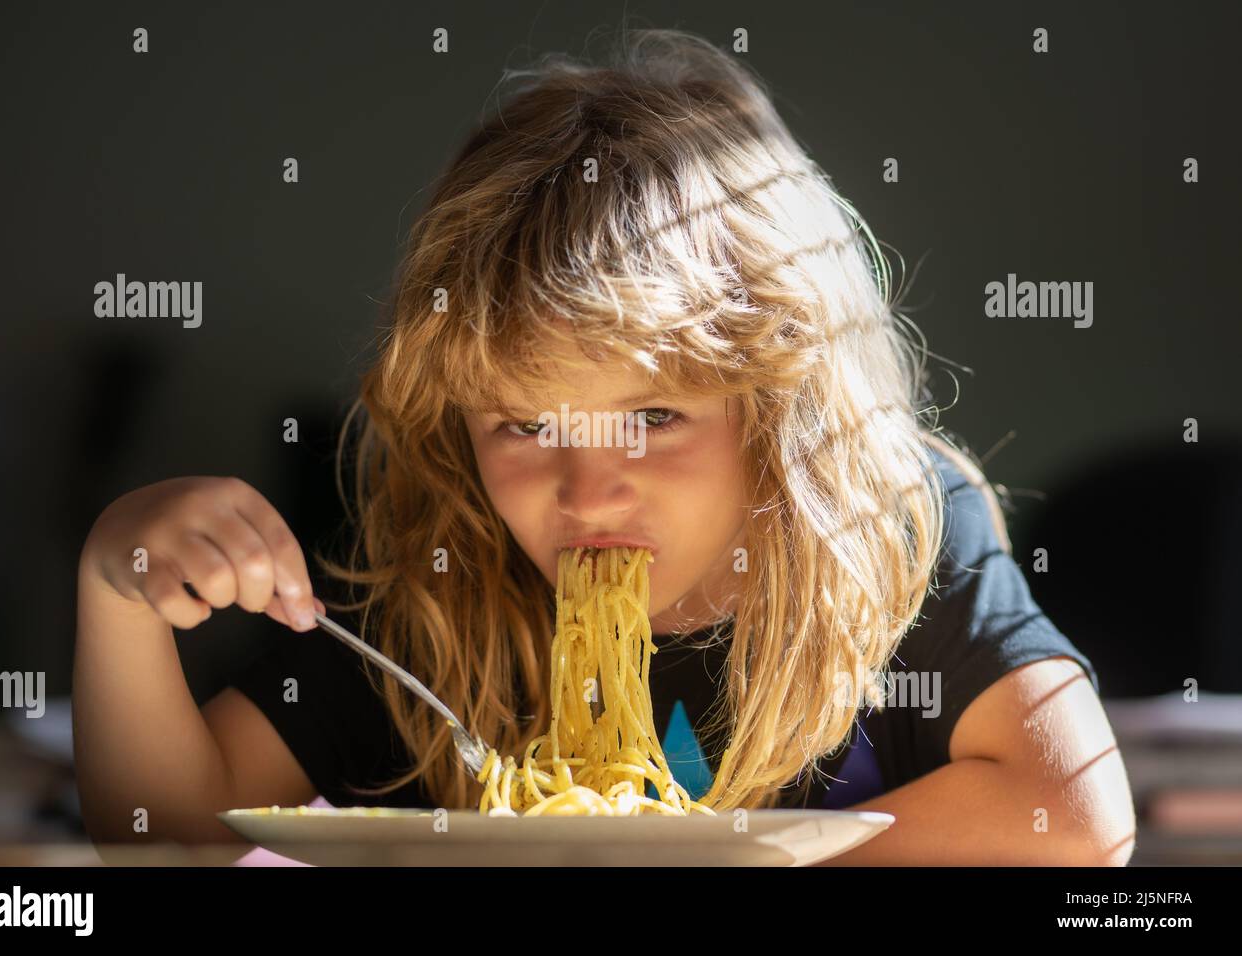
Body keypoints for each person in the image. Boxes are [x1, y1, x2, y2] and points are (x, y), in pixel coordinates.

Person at [73, 28, 1134, 864]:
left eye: (653, 417)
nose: (585, 489)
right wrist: (117, 593)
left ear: (779, 407)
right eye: (524, 426)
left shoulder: (887, 533)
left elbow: (1075, 814)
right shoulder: (445, 581)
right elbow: (169, 832)